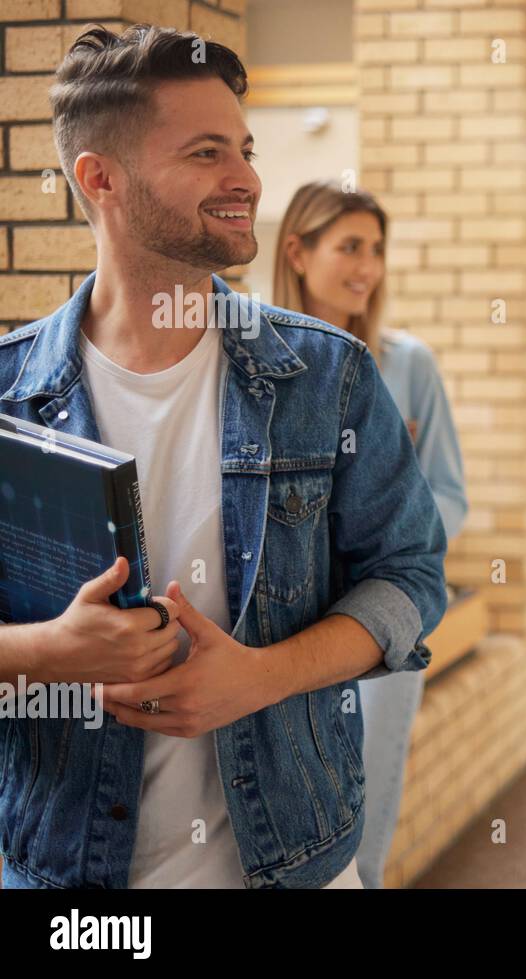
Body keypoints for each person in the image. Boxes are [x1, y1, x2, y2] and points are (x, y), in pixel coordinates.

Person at [0, 25, 446, 888]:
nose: (247, 178)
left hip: (297, 862)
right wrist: (51, 652)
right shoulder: (9, 396)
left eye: (243, 148)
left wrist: (261, 677)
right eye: (207, 153)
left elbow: (412, 576)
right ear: (100, 179)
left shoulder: (329, 374)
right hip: (69, 884)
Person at [273, 180, 468, 889]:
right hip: (281, 628)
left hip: (375, 625)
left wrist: (389, 543)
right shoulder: (254, 366)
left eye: (378, 249)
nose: (368, 266)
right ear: (297, 250)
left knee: (364, 834)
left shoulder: (407, 365)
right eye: (350, 246)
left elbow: (448, 492)